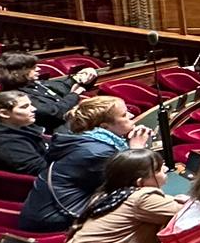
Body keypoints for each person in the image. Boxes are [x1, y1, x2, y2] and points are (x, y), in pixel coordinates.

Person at [18, 95, 154, 233]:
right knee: (145, 210)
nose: (131, 116)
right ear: (105, 126)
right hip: (53, 219)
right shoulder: (97, 152)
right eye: (124, 115)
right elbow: (133, 182)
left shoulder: (89, 141)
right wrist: (136, 150)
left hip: (55, 211)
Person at [58, 150, 179, 243]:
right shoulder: (142, 198)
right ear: (140, 182)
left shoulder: (106, 194)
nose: (165, 169)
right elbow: (186, 213)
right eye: (158, 169)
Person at [0, 50, 98, 133]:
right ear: (18, 72)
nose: (38, 69)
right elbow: (54, 113)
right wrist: (74, 95)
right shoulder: (15, 96)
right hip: (60, 134)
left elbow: (63, 85)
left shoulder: (32, 84)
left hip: (74, 125)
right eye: (33, 68)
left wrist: (83, 75)